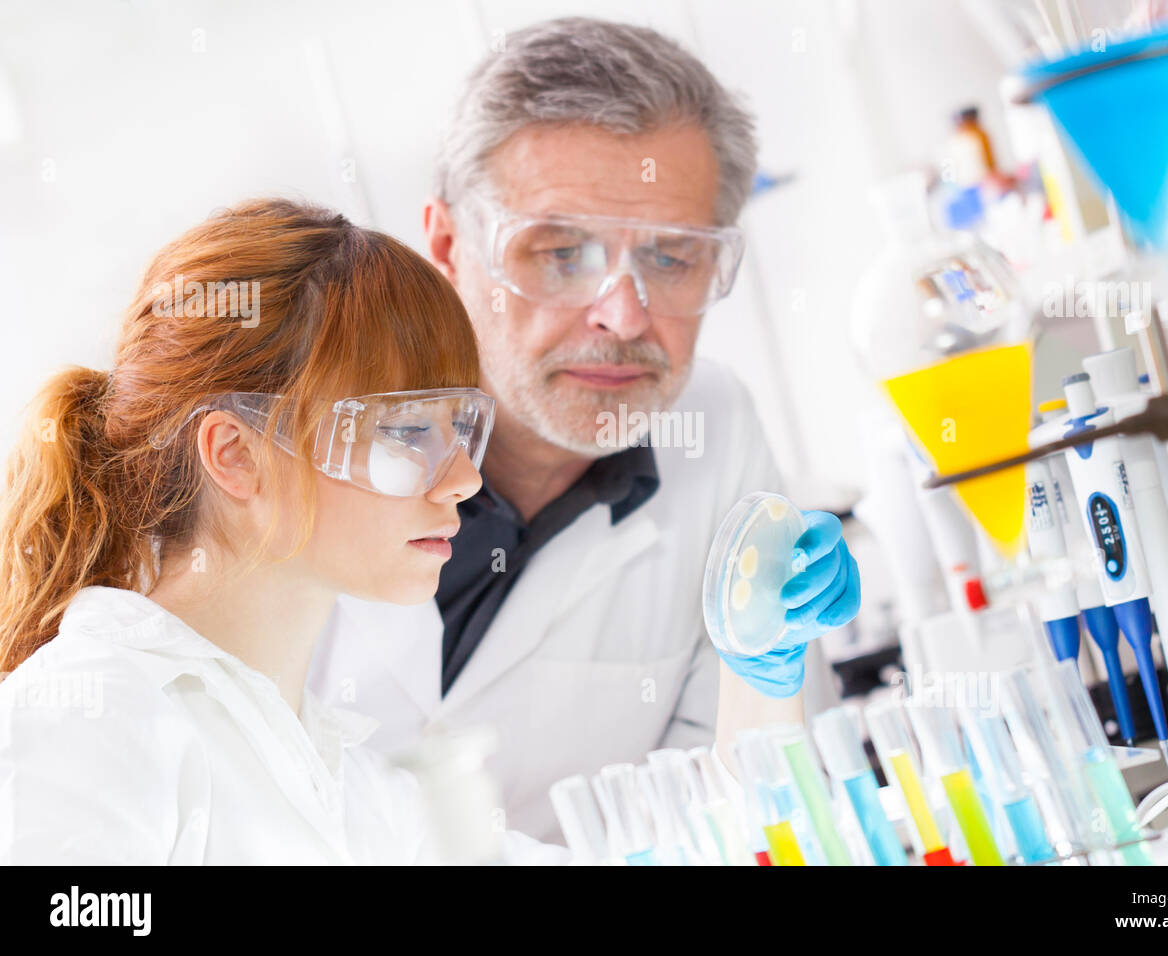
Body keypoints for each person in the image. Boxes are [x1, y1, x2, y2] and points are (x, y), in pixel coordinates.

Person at [309, 17, 862, 841]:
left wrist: (769, 679)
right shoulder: (304, 445)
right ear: (448, 247)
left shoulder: (713, 430)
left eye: (672, 257)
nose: (624, 314)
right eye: (562, 253)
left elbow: (753, 813)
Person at [0, 199, 493, 864]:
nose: (463, 478)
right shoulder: (88, 722)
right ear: (235, 454)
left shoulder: (353, 787)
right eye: (405, 429)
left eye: (461, 427)